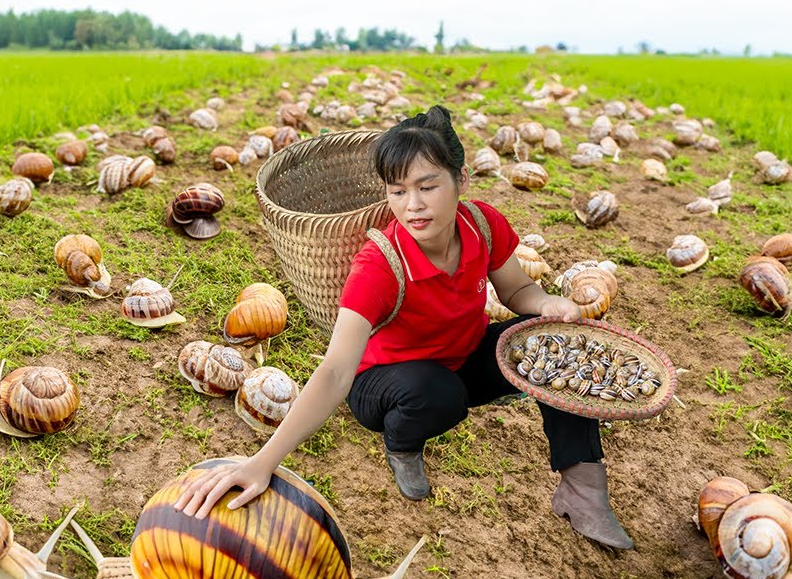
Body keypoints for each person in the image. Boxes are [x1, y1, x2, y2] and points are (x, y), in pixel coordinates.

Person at [174, 105, 634, 549]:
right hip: (386, 384)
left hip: (461, 357)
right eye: (397, 191)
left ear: (461, 181)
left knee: (558, 341)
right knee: (438, 394)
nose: (412, 206)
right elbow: (335, 371)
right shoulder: (378, 265)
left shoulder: (482, 224)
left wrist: (548, 303)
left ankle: (582, 490)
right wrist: (262, 462)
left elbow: (516, 292)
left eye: (427, 187)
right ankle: (402, 444)